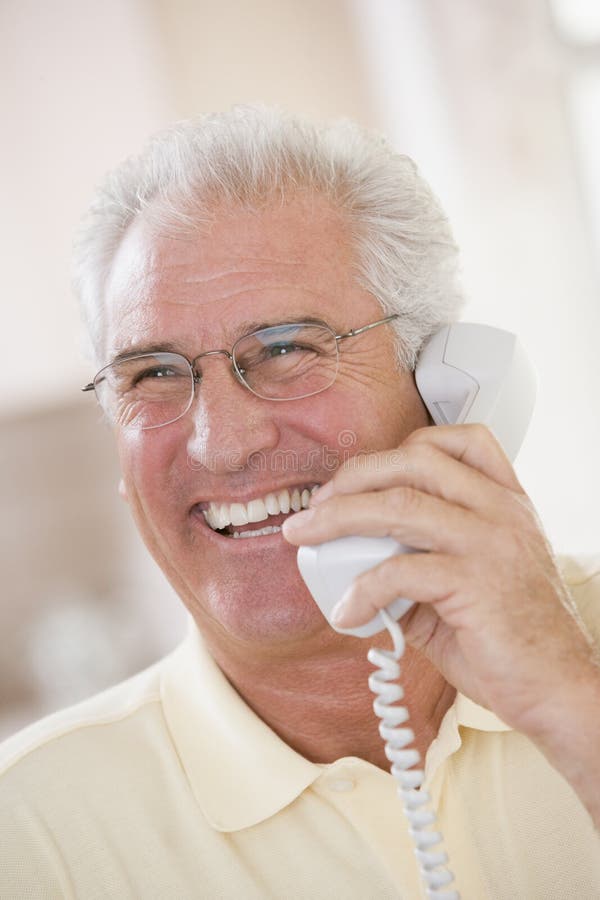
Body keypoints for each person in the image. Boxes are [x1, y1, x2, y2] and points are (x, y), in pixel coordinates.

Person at [1, 106, 599, 899]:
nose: (221, 443)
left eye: (284, 349)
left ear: (445, 389)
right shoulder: (30, 830)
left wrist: (570, 702)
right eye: (152, 374)